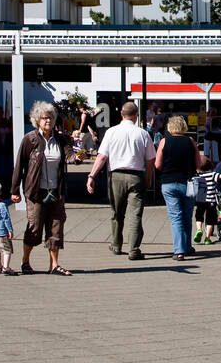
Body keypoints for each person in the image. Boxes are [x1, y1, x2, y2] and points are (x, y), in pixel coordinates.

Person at [10, 102, 74, 276]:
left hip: (55, 190)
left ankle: (54, 265)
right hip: (36, 192)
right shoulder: (29, 139)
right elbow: (20, 166)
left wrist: (77, 157)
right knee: (35, 227)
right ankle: (25, 261)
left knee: (56, 227)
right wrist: (14, 190)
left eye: (51, 117)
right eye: (45, 118)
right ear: (37, 120)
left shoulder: (60, 139)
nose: (48, 121)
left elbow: (69, 155)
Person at [86, 102, 154, 261]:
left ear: (121, 115)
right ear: (136, 115)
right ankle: (134, 249)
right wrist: (148, 178)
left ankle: (116, 244)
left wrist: (91, 176)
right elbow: (151, 160)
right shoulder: (143, 134)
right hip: (136, 176)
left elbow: (102, 157)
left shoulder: (111, 132)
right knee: (135, 214)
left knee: (116, 212)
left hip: (115, 176)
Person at [156, 115, 203, 261]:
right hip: (187, 183)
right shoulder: (190, 141)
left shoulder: (164, 141)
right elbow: (198, 164)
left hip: (169, 183)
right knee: (187, 216)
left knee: (176, 217)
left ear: (170, 128)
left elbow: (157, 164)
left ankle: (179, 250)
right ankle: (187, 246)